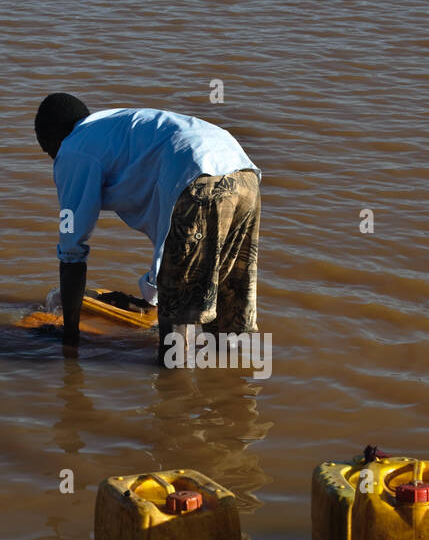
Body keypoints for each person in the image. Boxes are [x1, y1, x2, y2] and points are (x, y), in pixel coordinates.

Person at [34, 93, 262, 364]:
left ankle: (175, 396)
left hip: (200, 178)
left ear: (51, 139)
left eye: (49, 153)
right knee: (231, 305)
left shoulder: (72, 149)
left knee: (176, 333)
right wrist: (153, 295)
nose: (54, 161)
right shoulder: (114, 128)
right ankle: (235, 385)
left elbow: (72, 248)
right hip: (243, 172)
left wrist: (69, 338)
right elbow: (170, 226)